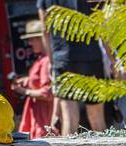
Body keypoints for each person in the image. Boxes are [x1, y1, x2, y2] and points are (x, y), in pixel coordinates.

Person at [38, 0, 106, 133]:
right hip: (91, 56)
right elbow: (102, 24)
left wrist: (51, 62)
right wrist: (112, 60)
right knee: (97, 117)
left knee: (69, 118)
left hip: (63, 58)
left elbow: (44, 30)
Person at [12, 20, 55, 138]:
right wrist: (26, 81)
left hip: (44, 116)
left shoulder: (46, 61)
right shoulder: (42, 59)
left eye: (32, 39)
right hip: (37, 114)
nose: (30, 43)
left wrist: (24, 91)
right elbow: (39, 81)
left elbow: (48, 93)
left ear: (41, 38)